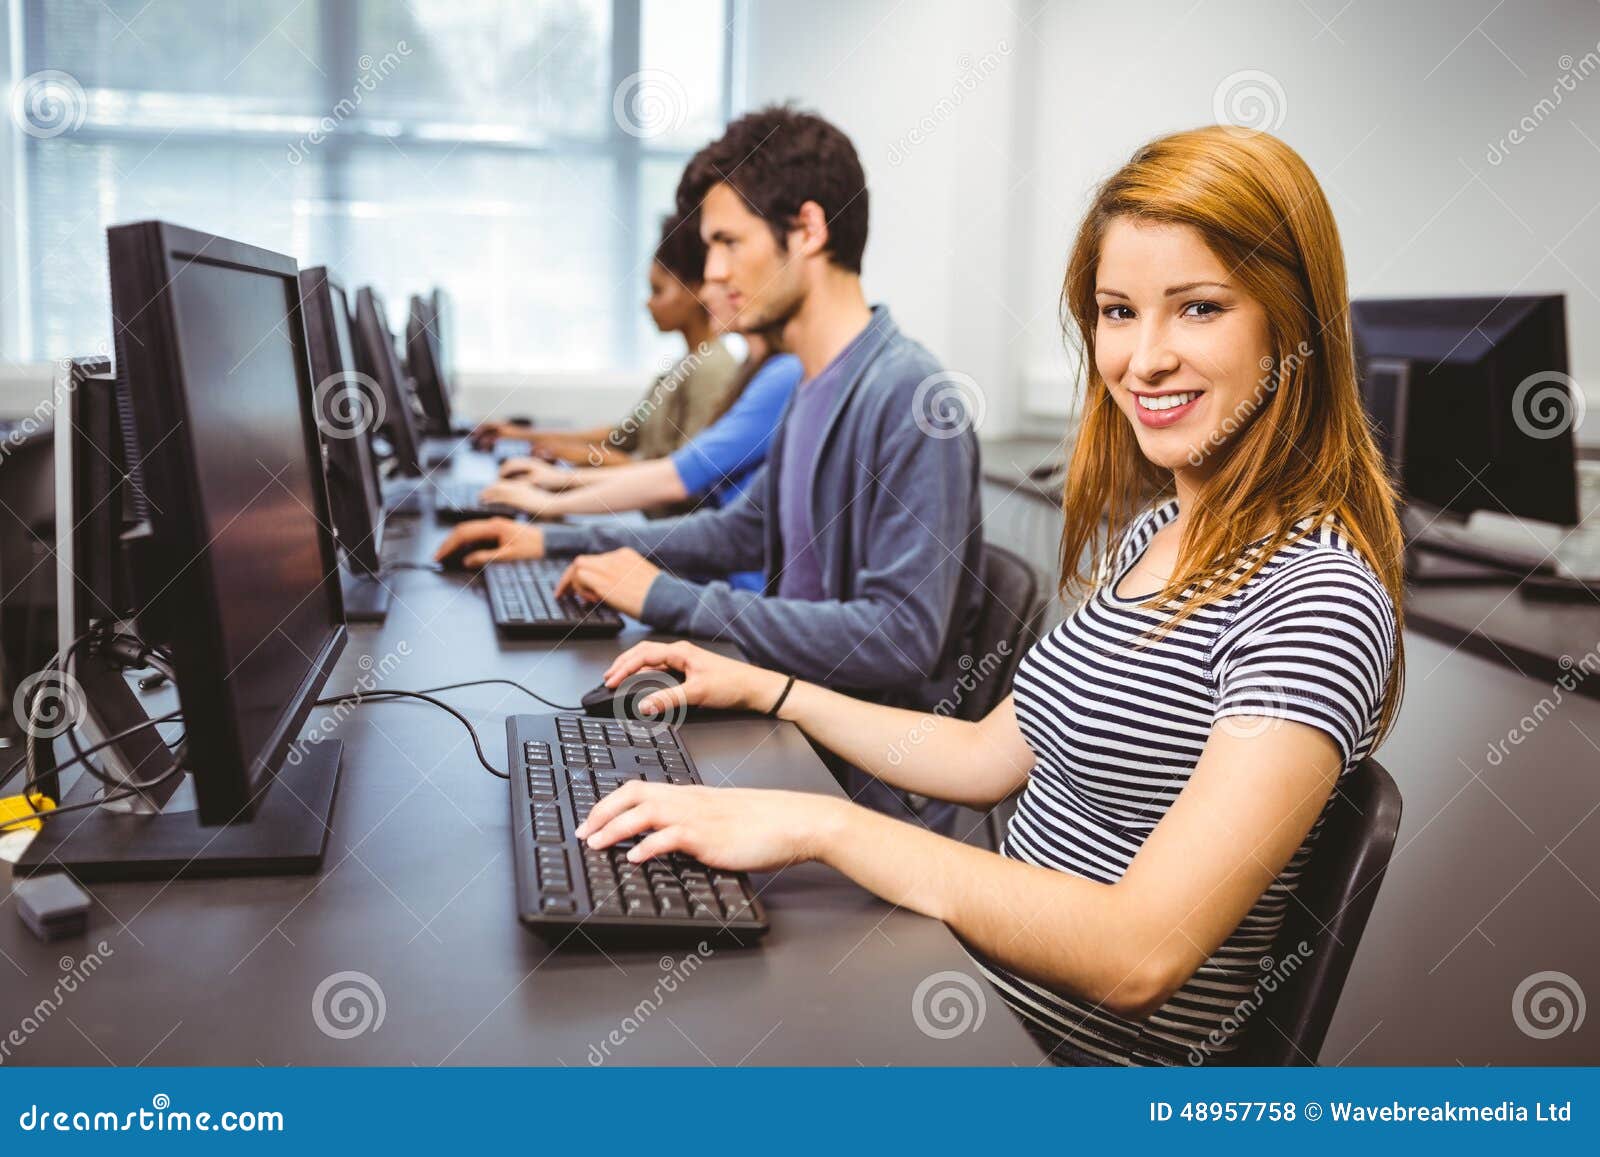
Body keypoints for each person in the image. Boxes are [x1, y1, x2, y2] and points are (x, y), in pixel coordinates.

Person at [561, 126, 1406, 1067]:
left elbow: (1140, 952)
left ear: (1291, 326)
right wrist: (769, 689)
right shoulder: (1155, 534)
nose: (1144, 357)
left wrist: (822, 825)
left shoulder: (1316, 597)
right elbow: (986, 753)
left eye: (1199, 308)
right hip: (976, 988)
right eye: (1118, 312)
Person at [434, 105, 986, 827]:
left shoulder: (908, 396)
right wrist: (553, 541)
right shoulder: (813, 382)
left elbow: (900, 636)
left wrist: (672, 598)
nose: (714, 272)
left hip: (862, 792)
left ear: (809, 230)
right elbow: (737, 534)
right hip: (795, 733)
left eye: (728, 241)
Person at [472, 212, 738, 466]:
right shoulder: (683, 366)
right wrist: (522, 437)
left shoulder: (711, 369)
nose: (648, 303)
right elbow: (623, 436)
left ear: (694, 290)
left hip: (659, 513)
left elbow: (683, 476)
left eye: (657, 291)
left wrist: (579, 456)